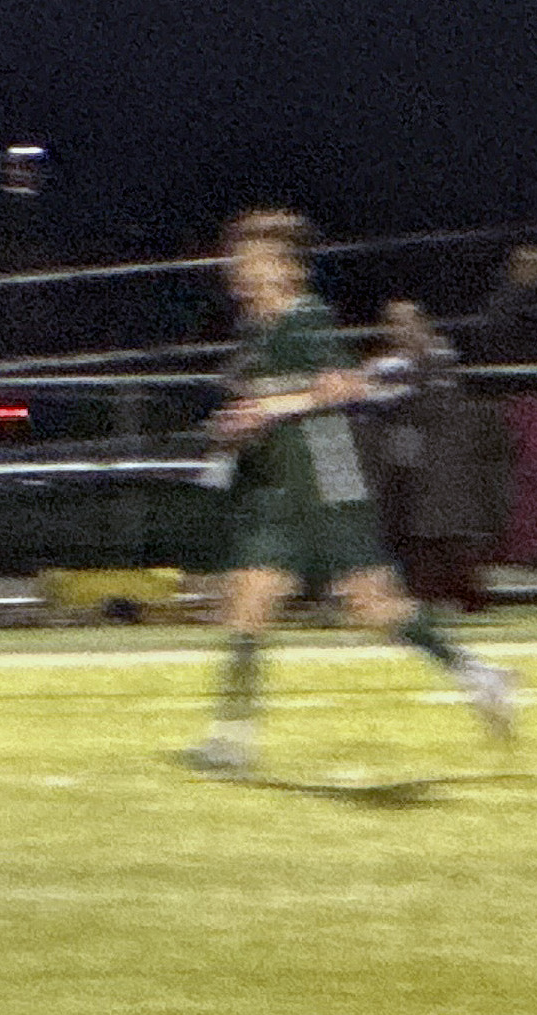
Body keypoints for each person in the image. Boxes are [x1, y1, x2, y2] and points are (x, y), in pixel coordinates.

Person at [180, 212, 515, 777]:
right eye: (239, 258)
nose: (239, 268)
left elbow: (346, 385)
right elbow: (264, 403)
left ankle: (478, 675)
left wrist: (273, 406)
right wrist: (238, 423)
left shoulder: (305, 317)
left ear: (284, 268)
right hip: (280, 483)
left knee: (372, 605)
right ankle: (232, 739)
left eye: (252, 258)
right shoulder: (256, 331)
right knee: (246, 601)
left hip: (327, 476)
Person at [360, 301, 502, 617]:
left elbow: (433, 407)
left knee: (444, 530)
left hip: (443, 457)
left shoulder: (437, 357)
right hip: (407, 459)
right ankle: (428, 596)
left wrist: (398, 392)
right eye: (393, 322)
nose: (399, 328)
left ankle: (466, 597)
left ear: (421, 321)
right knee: (412, 529)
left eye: (405, 321)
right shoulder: (393, 363)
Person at [468, 243, 537, 564]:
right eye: (529, 264)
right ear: (515, 266)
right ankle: (529, 545)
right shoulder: (511, 304)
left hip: (536, 396)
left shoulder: (533, 304)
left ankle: (535, 541)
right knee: (536, 473)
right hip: (526, 397)